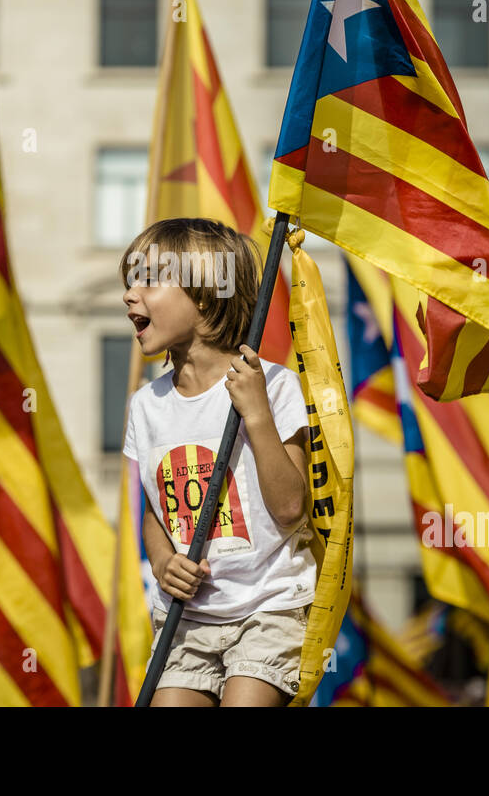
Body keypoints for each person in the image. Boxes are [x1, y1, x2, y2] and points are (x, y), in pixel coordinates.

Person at [119, 217, 315, 707]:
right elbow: (154, 513)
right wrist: (163, 562)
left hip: (267, 607)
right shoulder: (146, 405)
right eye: (129, 281)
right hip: (186, 618)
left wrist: (257, 415)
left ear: (205, 297)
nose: (129, 295)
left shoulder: (272, 385)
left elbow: (292, 509)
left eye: (147, 280)